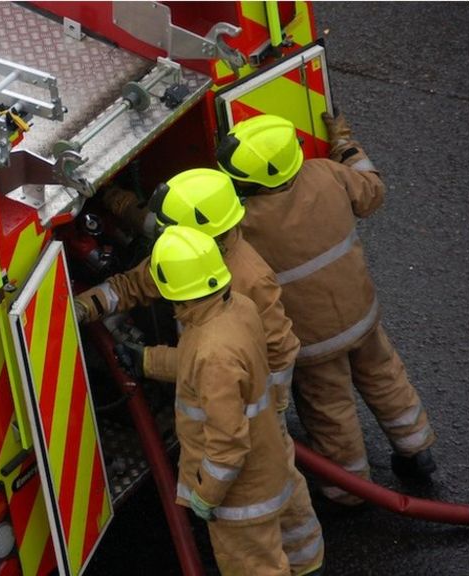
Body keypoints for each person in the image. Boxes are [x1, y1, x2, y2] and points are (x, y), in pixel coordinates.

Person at [76, 168, 323, 574]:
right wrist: (137, 352)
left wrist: (207, 494)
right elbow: (140, 290)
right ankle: (309, 562)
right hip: (263, 445)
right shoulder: (227, 296)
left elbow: (226, 435)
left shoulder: (238, 296)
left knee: (252, 559)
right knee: (289, 498)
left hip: (239, 489)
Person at [216, 113, 436, 504]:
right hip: (362, 316)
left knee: (331, 411)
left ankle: (348, 492)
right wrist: (346, 144)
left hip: (313, 344)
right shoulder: (327, 174)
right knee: (386, 377)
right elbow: (373, 191)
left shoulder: (245, 224)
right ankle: (416, 450)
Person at [149, 225, 295, 575]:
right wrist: (146, 359)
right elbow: (197, 366)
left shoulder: (211, 351)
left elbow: (228, 444)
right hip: (267, 465)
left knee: (255, 567)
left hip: (240, 497)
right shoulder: (237, 309)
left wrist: (206, 495)